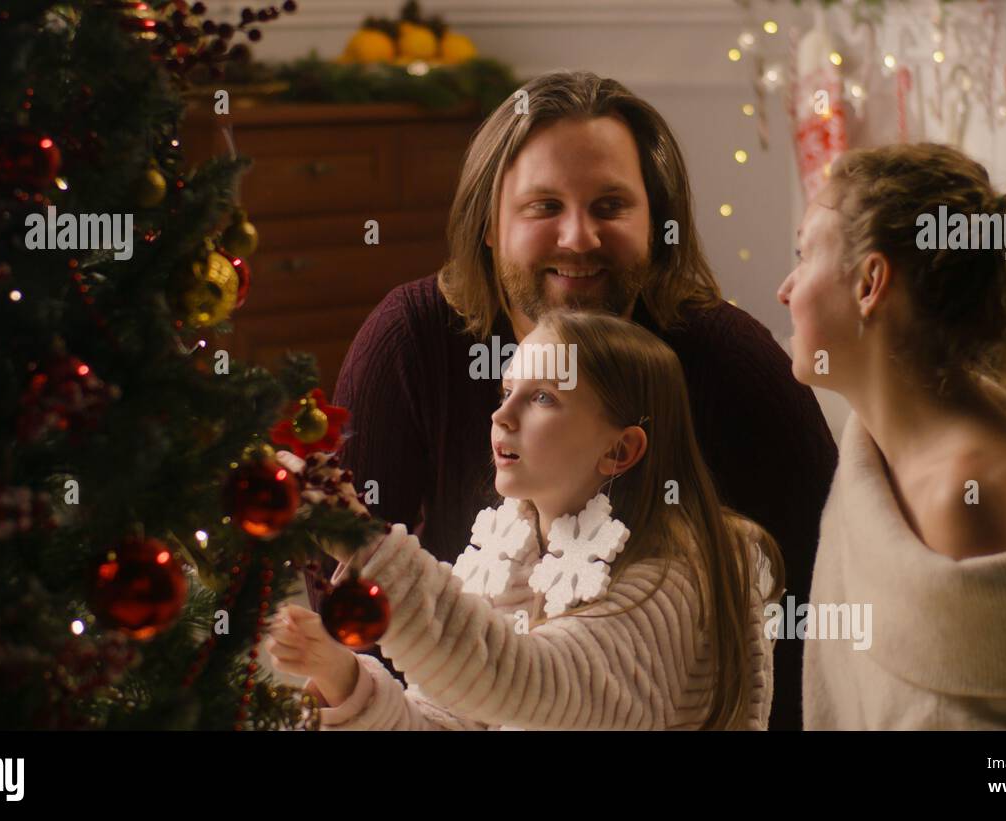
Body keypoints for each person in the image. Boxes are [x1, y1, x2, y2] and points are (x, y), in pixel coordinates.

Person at [332, 69, 836, 730]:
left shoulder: (734, 366)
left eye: (610, 206)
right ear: (488, 226)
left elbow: (823, 593)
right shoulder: (410, 342)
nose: (578, 238)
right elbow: (342, 599)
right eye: (544, 207)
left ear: (657, 224)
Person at [779, 142, 1006, 729]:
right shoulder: (882, 449)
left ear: (869, 283)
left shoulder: (968, 497)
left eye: (803, 254)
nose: (786, 288)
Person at [269, 311, 784, 730]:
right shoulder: (511, 550)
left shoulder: (674, 577)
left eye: (542, 398)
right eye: (506, 391)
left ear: (620, 449)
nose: (502, 415)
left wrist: (368, 548)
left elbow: (526, 680)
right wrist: (346, 681)